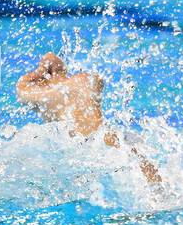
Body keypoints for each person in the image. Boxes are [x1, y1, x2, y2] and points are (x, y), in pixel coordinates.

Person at [15, 53, 161, 183]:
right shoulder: (85, 80)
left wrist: (39, 72)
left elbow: (22, 89)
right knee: (151, 181)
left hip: (90, 148)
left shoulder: (39, 95)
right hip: (109, 140)